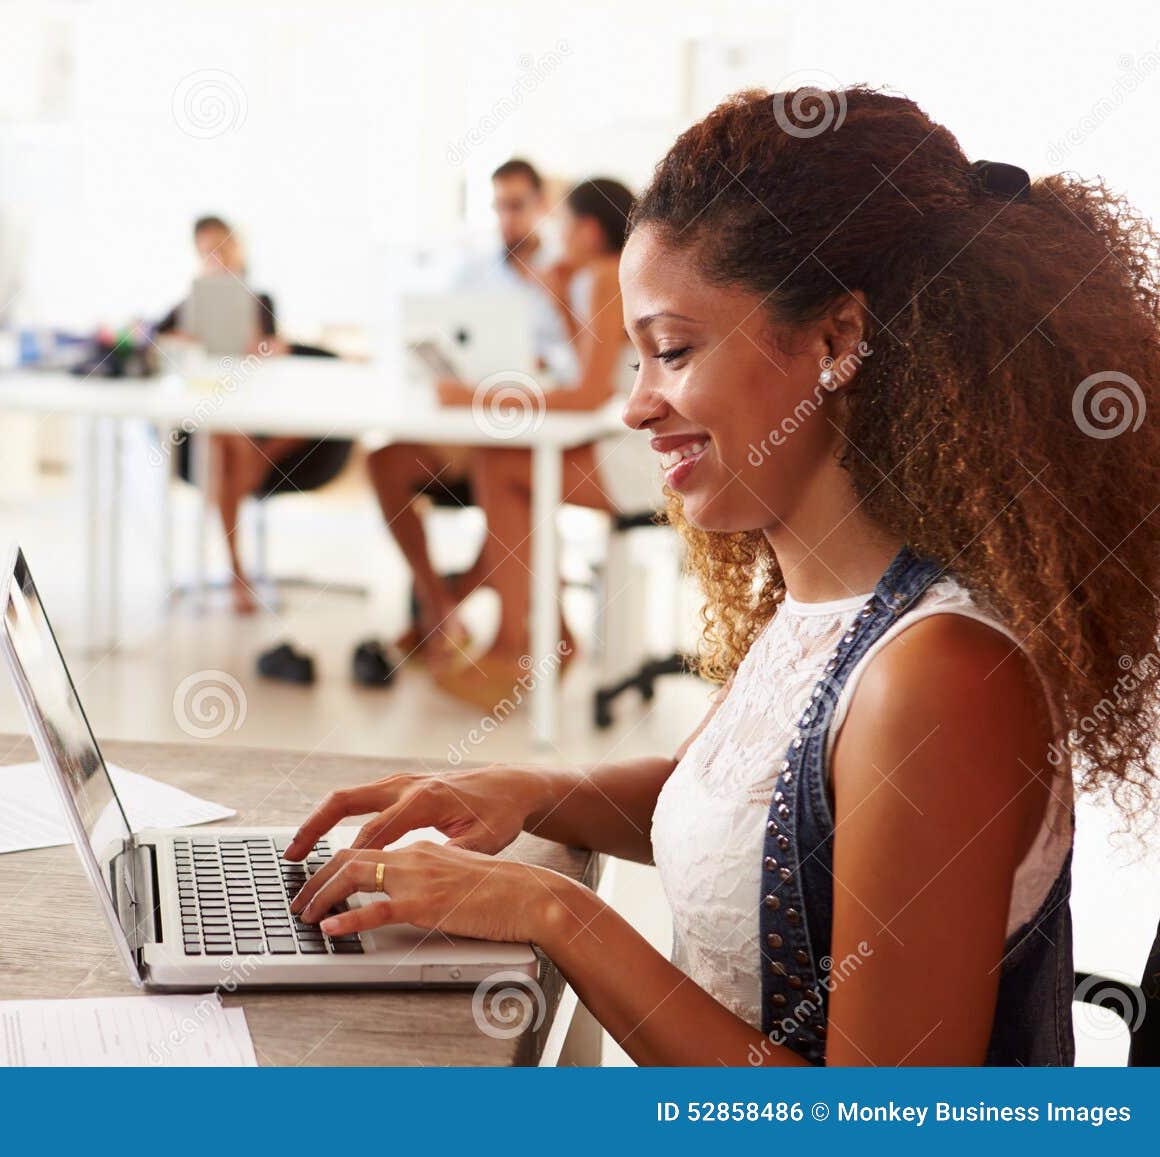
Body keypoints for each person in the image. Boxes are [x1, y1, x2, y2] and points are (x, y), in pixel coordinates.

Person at [280, 87, 1160, 1065]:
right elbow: (754, 812)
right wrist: (526, 788)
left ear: (834, 343)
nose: (635, 406)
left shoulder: (939, 677)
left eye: (671, 351)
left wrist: (553, 908)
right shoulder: (836, 598)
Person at [430, 177, 639, 709]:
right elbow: (592, 363)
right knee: (505, 464)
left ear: (589, 231)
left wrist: (477, 396)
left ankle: (515, 643)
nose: (556, 233)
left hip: (639, 465)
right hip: (629, 447)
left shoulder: (603, 278)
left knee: (502, 466)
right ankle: (549, 636)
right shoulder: (602, 276)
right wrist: (558, 299)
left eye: (563, 223)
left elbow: (588, 394)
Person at [366, 158, 566, 658]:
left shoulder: (567, 273)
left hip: (527, 432)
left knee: (509, 479)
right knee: (383, 461)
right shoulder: (473, 272)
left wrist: (541, 358)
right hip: (468, 424)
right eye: (499, 207)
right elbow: (434, 334)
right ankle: (437, 602)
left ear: (541, 206)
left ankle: (451, 610)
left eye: (517, 206)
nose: (508, 219)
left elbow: (583, 363)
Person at [156, 215, 329, 614]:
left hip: (263, 412)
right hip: (217, 414)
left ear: (237, 248)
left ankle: (238, 567)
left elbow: (277, 349)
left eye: (222, 247)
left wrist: (268, 348)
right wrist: (179, 341)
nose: (216, 257)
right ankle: (238, 571)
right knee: (223, 442)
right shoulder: (190, 302)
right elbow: (152, 336)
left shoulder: (260, 301)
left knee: (238, 446)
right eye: (206, 251)